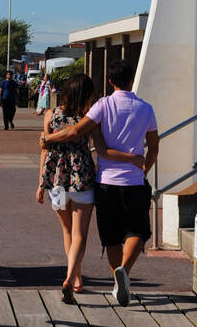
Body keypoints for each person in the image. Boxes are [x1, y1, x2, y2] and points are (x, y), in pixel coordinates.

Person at [40, 59, 158, 306]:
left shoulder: (102, 106)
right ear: (132, 79)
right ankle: (123, 272)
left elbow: (75, 131)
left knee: (110, 236)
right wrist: (144, 166)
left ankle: (99, 279)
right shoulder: (146, 109)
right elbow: (154, 146)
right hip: (128, 181)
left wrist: (47, 139)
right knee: (138, 230)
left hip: (100, 182)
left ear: (111, 81)